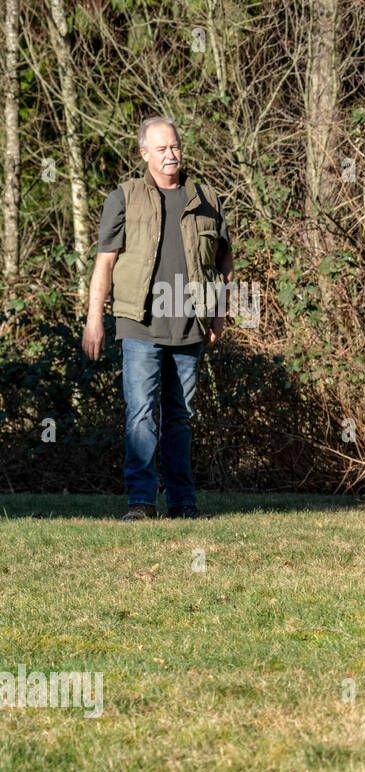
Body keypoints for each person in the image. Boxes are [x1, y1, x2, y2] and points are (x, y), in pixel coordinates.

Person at [81, 116, 232, 520]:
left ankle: (183, 502)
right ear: (144, 154)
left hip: (189, 325)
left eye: (175, 146)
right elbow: (105, 262)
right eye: (161, 148)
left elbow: (224, 259)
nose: (171, 155)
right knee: (141, 413)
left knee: (180, 417)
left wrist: (219, 313)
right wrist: (94, 318)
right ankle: (141, 502)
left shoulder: (207, 198)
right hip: (139, 323)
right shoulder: (124, 197)